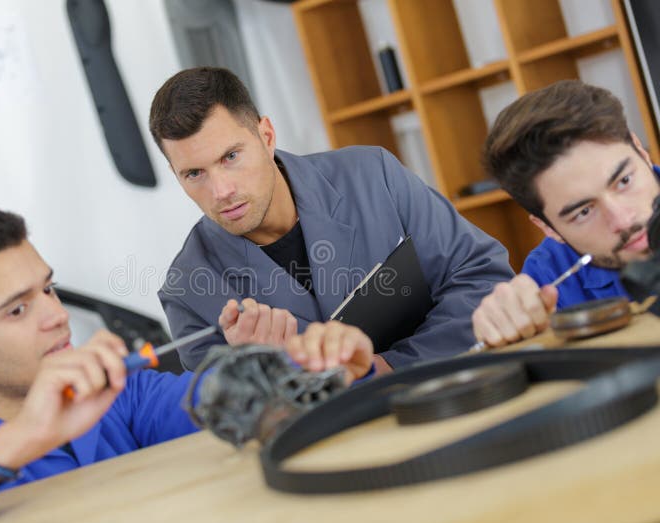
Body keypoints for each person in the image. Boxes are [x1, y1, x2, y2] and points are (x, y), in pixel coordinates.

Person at [0, 204, 374, 523]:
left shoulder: (119, 395)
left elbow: (212, 396)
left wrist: (312, 368)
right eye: (18, 309)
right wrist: (26, 438)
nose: (57, 317)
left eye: (48, 289)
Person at [149, 66, 514, 372]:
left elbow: (482, 277)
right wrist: (260, 371)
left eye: (230, 156)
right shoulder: (188, 292)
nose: (221, 190)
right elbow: (228, 420)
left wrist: (389, 367)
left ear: (266, 135)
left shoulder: (374, 176)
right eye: (194, 174)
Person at [471, 80, 660, 348]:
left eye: (624, 181)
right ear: (549, 228)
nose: (623, 220)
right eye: (584, 212)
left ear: (641, 152)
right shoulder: (547, 282)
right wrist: (505, 329)